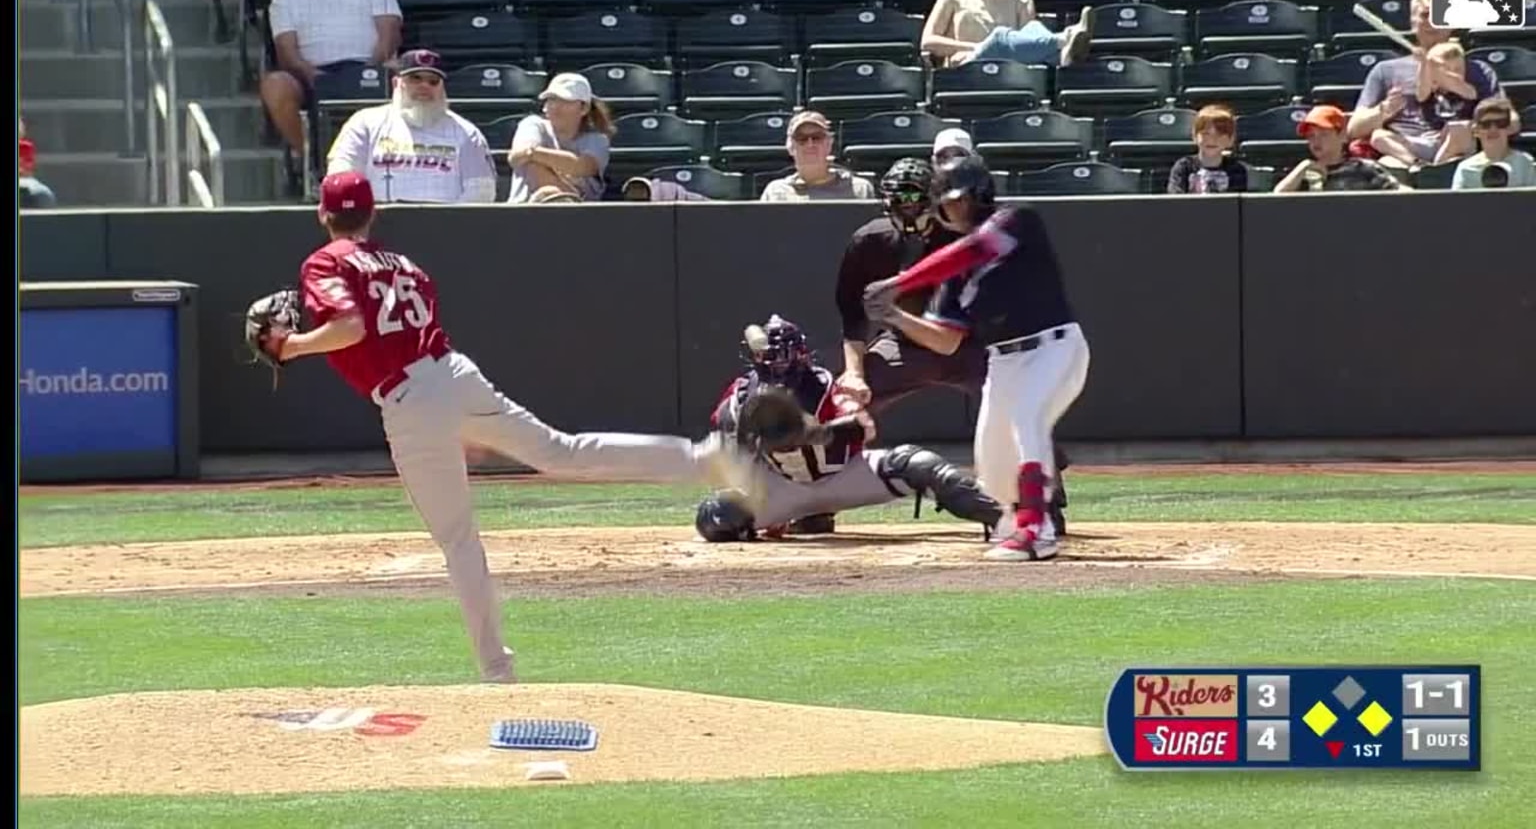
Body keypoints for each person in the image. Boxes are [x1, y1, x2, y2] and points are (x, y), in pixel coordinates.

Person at [247, 171, 752, 683]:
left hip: (410, 398)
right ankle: (700, 457)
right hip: (454, 374)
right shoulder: (406, 265)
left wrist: (292, 346)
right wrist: (462, 424)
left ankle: (497, 670)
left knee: (459, 541)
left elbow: (351, 326)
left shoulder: (325, 261)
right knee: (563, 451)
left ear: (323, 214)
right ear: (372, 213)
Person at [861, 155, 1091, 562]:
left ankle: (1036, 529)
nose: (959, 208)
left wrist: (901, 282)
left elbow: (975, 249)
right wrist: (895, 316)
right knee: (994, 464)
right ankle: (1016, 522)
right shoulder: (951, 276)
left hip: (1053, 348)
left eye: (963, 198)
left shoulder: (1017, 219)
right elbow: (946, 341)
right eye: (951, 202)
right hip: (1002, 363)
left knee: (1028, 419)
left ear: (981, 193)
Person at [694, 315, 1003, 542]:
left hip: (844, 477)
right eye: (769, 358)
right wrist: (751, 458)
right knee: (716, 517)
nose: (777, 365)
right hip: (785, 489)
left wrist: (810, 435)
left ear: (801, 356)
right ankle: (808, 517)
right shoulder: (741, 394)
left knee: (917, 464)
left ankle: (1002, 518)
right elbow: (728, 448)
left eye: (782, 357)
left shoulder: (826, 385)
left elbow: (864, 428)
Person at [1347, 0, 1501, 169]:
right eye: (1426, 15)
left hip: (1457, 154)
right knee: (1385, 157)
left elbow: (1510, 121)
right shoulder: (1385, 70)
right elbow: (1354, 129)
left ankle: (1436, 170)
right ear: (1413, 22)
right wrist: (1384, 110)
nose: (1432, 22)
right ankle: (1420, 167)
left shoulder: (1479, 70)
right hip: (1405, 155)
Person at [261, 0, 402, 154]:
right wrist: (312, 74)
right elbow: (286, 51)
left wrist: (370, 69)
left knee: (412, 78)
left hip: (369, 67)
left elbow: (390, 34)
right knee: (275, 85)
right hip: (311, 75)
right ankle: (316, 158)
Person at [324, 49, 497, 203]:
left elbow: (482, 192)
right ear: (396, 83)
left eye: (433, 81)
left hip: (445, 225)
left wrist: (447, 223)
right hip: (376, 222)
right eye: (415, 78)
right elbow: (342, 175)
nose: (424, 86)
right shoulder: (365, 123)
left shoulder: (467, 133)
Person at [920, 0, 1091, 69]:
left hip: (1007, 71)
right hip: (966, 70)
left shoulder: (1022, 1)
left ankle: (1063, 53)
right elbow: (927, 42)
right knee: (999, 37)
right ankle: (1064, 40)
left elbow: (1032, 50)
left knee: (1034, 29)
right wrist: (976, 48)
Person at [505, 72, 615, 204]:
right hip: (523, 209)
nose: (555, 106)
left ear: (584, 108)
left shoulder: (597, 139)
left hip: (581, 214)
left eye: (565, 101)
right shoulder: (532, 124)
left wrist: (533, 153)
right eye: (551, 100)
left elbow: (581, 167)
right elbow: (516, 157)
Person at [1275, 105, 1403, 193]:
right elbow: (1276, 202)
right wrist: (1302, 169)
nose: (1316, 141)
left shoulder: (1363, 168)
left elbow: (1400, 195)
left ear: (1342, 136)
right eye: (1311, 136)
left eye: (1324, 134)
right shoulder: (1302, 172)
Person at [759, 111, 877, 202]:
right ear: (790, 146)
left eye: (817, 137)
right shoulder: (775, 193)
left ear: (829, 143)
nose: (810, 144)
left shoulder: (859, 189)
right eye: (801, 138)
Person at [1452, 97, 1536, 190]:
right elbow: (1456, 199)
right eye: (1486, 124)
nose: (1493, 129)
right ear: (1476, 131)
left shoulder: (1524, 163)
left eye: (1500, 123)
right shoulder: (1465, 169)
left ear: (1509, 128)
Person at [1166, 104, 1250, 194]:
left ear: (1231, 139)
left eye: (1220, 135)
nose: (1212, 140)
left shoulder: (1236, 169)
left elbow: (1236, 200)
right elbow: (1175, 197)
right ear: (1195, 136)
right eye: (1205, 134)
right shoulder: (1184, 166)